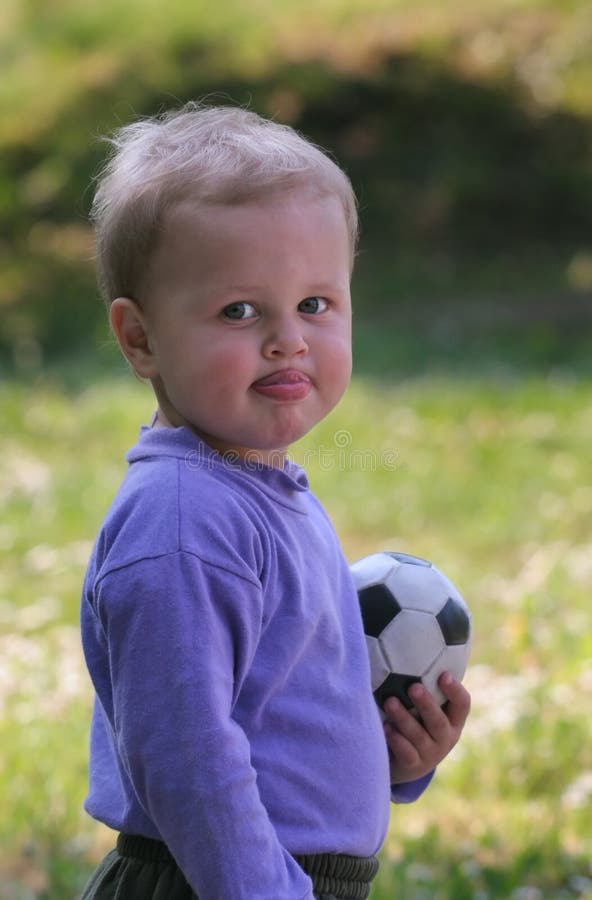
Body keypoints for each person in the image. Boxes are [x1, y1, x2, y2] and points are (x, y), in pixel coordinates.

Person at [80, 102, 471, 900]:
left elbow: (276, 716)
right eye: (239, 310)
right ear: (140, 339)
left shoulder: (259, 488)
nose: (288, 339)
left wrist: (396, 762)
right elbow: (186, 760)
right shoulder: (185, 519)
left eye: (316, 305)